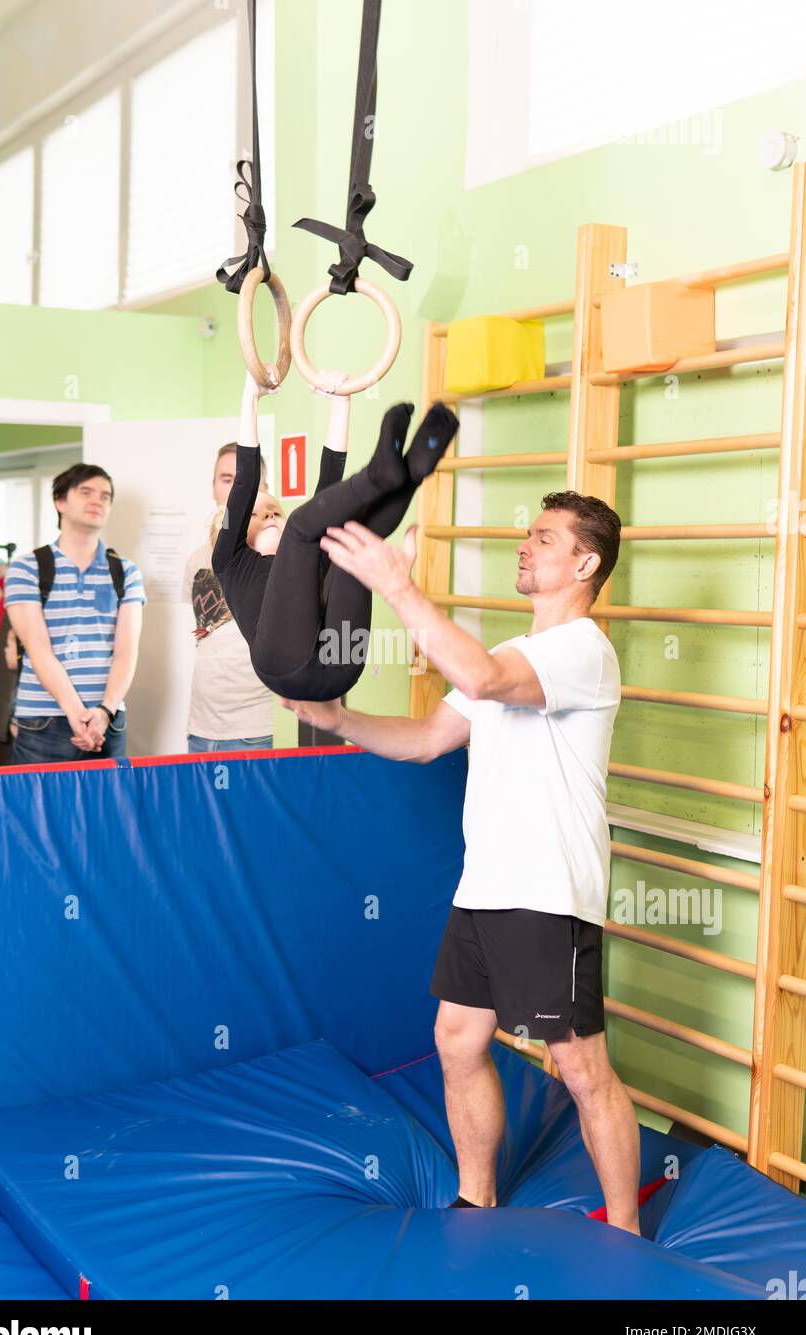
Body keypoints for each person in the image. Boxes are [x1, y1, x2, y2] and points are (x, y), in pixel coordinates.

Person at [281, 492, 639, 1234]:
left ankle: (628, 1232)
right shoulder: (515, 653)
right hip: (486, 888)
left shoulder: (579, 652)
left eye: (543, 538)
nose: (525, 546)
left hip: (548, 894)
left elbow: (479, 679)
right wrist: (339, 720)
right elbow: (424, 739)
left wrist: (397, 585)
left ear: (585, 562)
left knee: (580, 1070)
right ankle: (478, 1196)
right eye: (528, 534)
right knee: (457, 1040)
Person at [211, 369, 459, 701]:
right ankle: (379, 474)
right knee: (304, 526)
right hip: (305, 664)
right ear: (236, 534)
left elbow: (330, 484)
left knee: (349, 539)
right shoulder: (231, 562)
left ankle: (412, 469)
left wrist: (341, 404)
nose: (268, 515)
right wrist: (249, 398)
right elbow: (245, 480)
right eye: (254, 516)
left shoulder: (312, 551)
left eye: (273, 510)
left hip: (338, 662)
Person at [5, 464, 147, 764]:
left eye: (105, 496)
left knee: (107, 810)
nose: (98, 500)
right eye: (86, 492)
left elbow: (126, 652)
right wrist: (76, 712)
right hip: (43, 720)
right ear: (60, 501)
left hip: (106, 720)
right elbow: (37, 648)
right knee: (40, 810)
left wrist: (104, 711)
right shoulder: (26, 568)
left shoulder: (125, 572)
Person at [182, 439, 274, 753]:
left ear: (264, 489)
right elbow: (203, 636)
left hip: (255, 728)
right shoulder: (196, 559)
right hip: (200, 728)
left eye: (248, 479)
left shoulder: (277, 555)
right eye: (227, 479)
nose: (238, 488)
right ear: (213, 488)